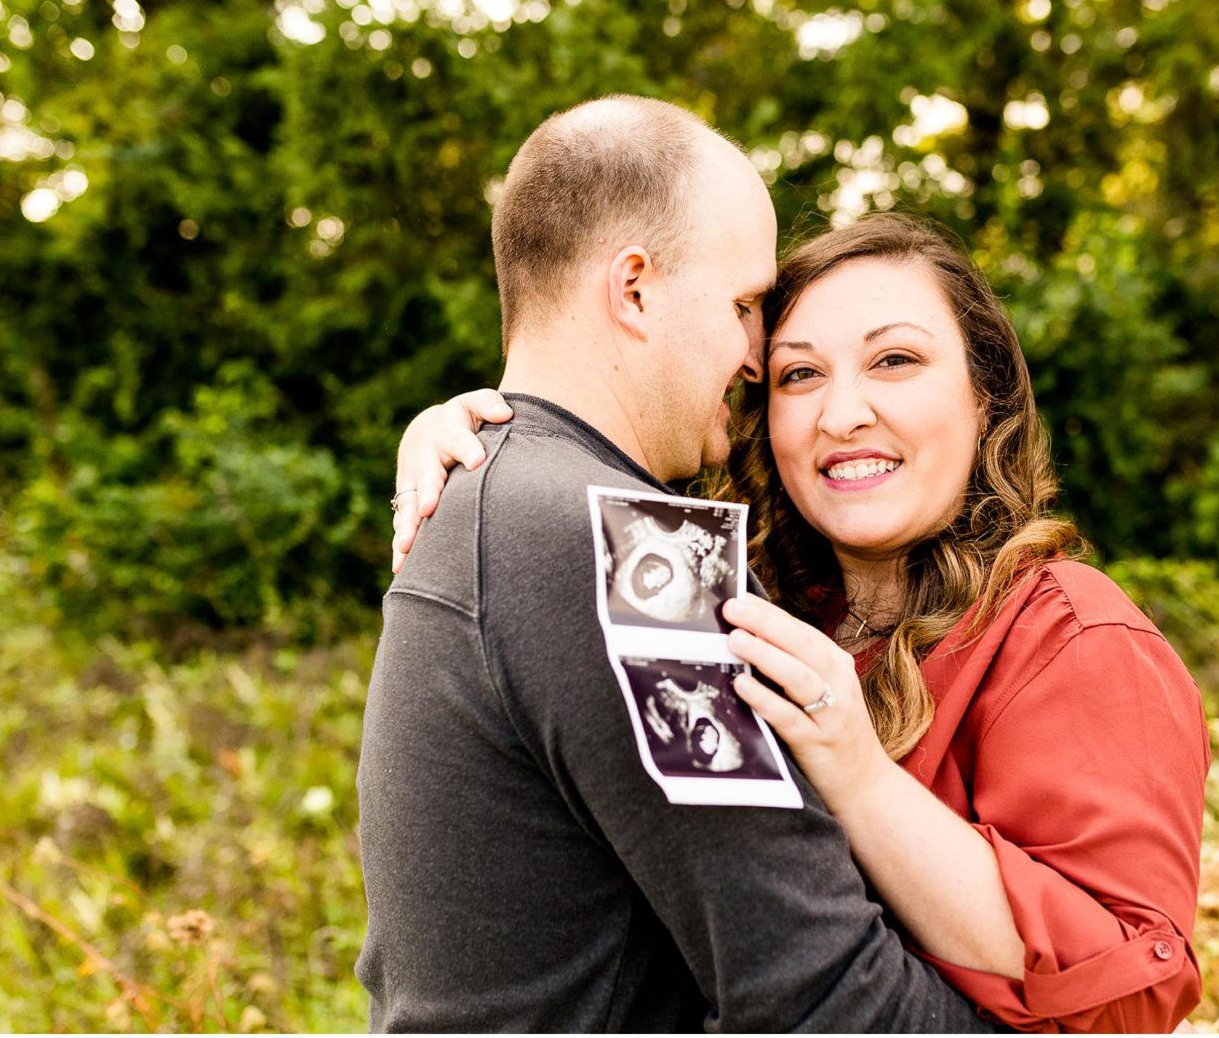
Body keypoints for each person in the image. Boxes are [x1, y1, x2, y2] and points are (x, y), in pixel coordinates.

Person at [393, 212, 1211, 1031]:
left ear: (985, 392)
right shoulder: (743, 605)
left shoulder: (1072, 635)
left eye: (895, 360)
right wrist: (504, 444)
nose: (842, 413)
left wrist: (859, 776)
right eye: (798, 375)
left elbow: (1132, 996)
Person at [356, 96, 993, 1032]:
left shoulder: (484, 491)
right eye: (742, 305)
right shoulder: (633, 555)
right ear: (635, 290)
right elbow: (823, 997)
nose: (754, 354)